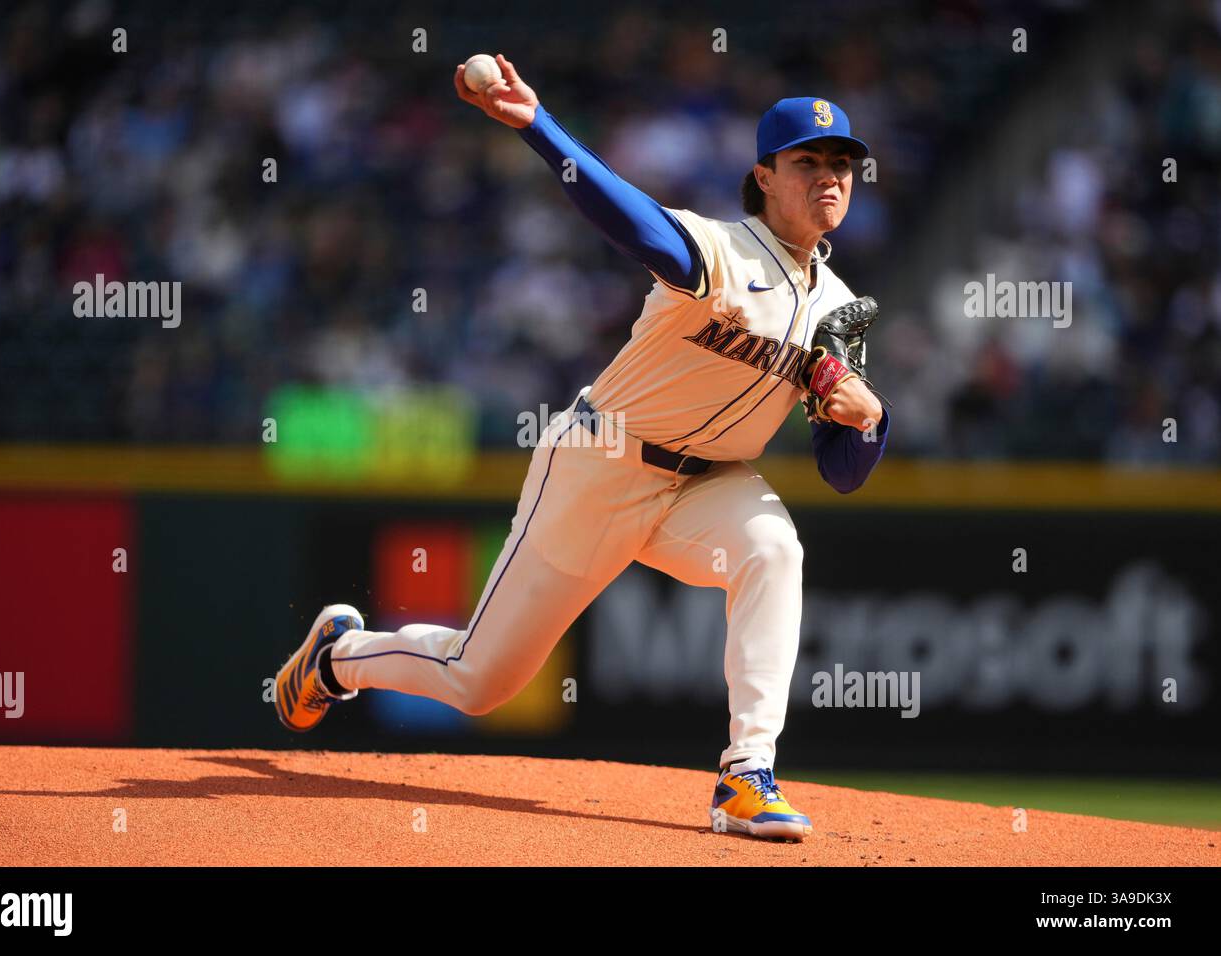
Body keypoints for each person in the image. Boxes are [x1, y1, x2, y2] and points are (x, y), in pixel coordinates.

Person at [275, 55, 890, 841]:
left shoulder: (842, 310)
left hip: (710, 486)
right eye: (809, 161)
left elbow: (842, 473)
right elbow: (626, 217)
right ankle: (339, 656)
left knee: (774, 548)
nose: (830, 177)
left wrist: (867, 419)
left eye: (843, 164)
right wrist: (538, 125)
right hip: (603, 459)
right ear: (765, 176)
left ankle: (747, 777)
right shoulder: (720, 250)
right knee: (480, 681)